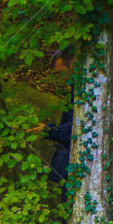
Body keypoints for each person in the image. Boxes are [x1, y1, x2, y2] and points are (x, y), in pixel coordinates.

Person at [39, 46, 75, 185]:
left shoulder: (83, 91)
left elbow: (73, 131)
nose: (60, 78)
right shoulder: (73, 91)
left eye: (61, 72)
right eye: (56, 74)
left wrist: (49, 130)